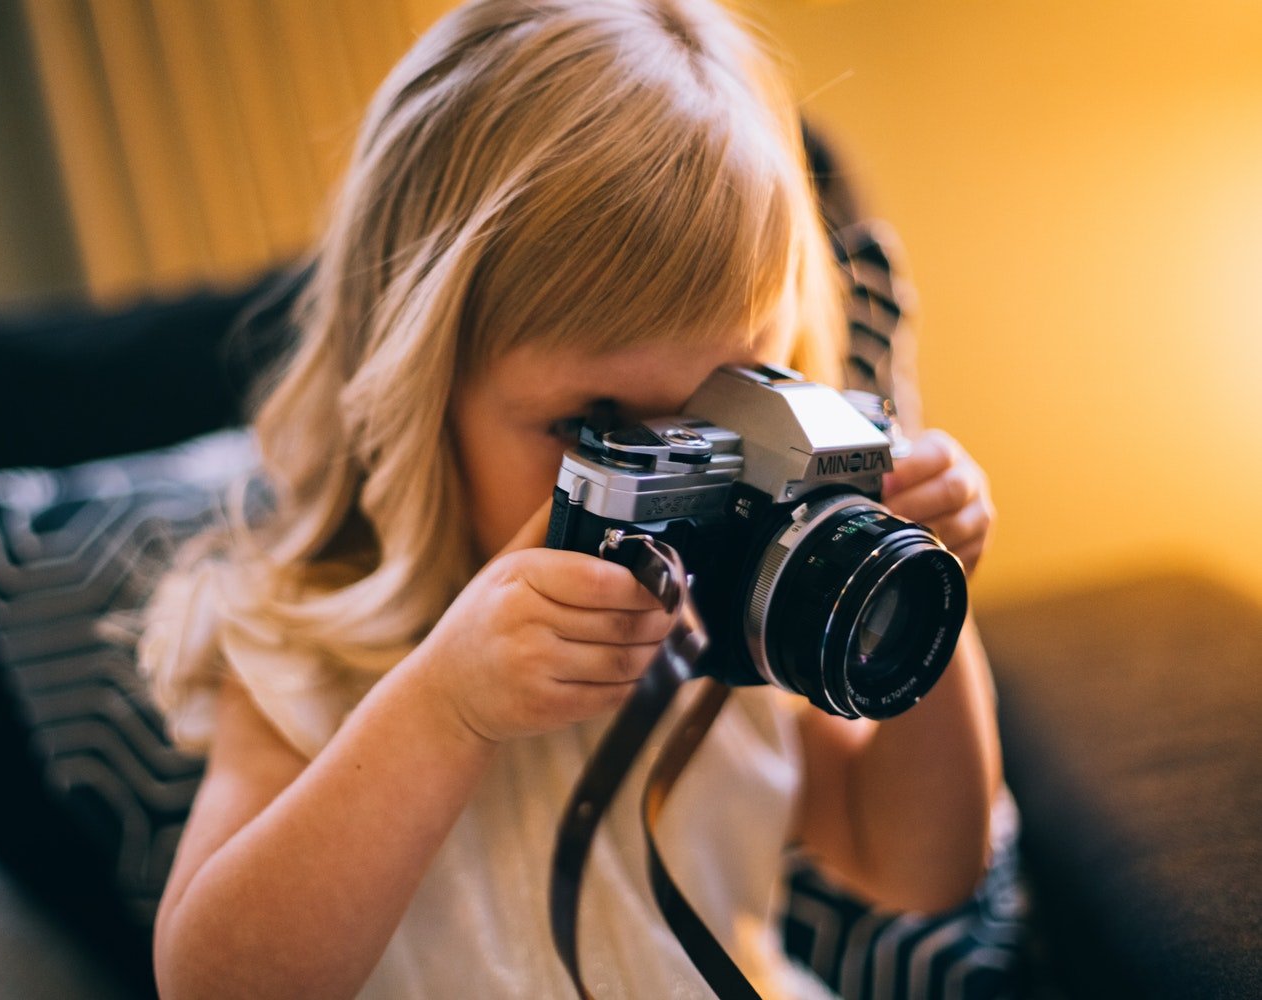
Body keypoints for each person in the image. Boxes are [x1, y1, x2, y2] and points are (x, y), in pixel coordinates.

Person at [139, 1, 1000, 997]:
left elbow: (919, 869)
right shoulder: (317, 648)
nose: (676, 483)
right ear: (423, 389)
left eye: (730, 398)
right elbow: (214, 984)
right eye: (597, 423)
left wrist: (920, 603)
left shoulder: (741, 630)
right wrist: (443, 708)